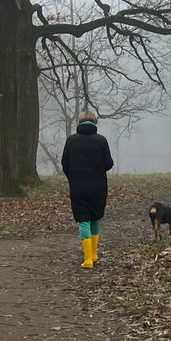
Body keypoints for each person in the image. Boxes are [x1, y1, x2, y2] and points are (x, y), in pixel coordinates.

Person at [61, 109, 114, 269]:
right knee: (95, 218)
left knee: (83, 219)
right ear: (94, 123)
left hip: (78, 186)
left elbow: (65, 164)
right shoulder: (101, 140)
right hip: (98, 186)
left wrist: (73, 177)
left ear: (80, 123)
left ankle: (88, 259)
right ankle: (94, 253)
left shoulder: (71, 141)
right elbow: (109, 164)